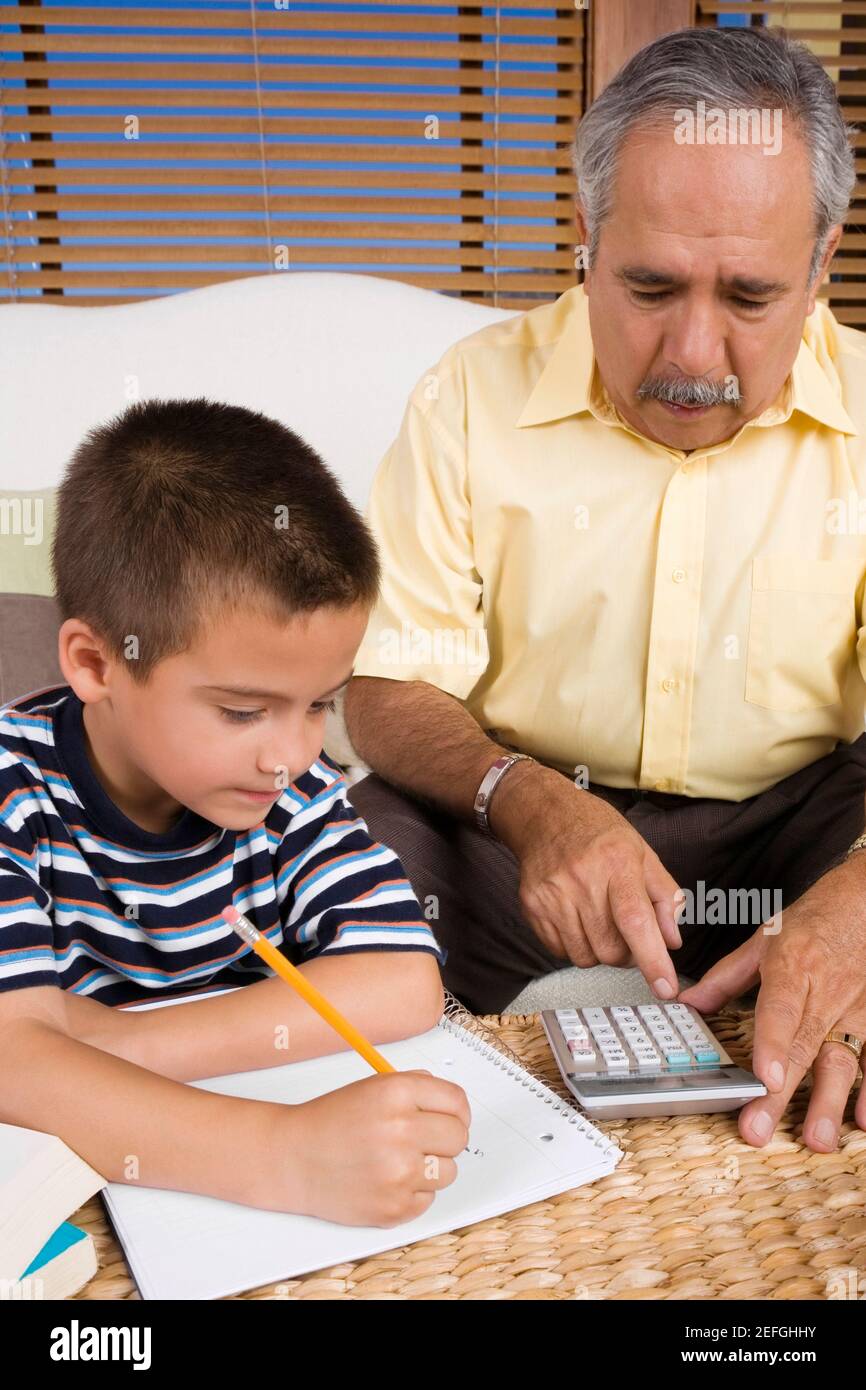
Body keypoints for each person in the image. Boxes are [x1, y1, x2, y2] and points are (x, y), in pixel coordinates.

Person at [344, 26, 866, 1153]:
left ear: (822, 260)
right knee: (350, 865)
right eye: (647, 286)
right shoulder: (468, 397)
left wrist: (851, 913)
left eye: (749, 294)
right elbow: (384, 687)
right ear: (582, 235)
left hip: (797, 826)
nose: (691, 352)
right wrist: (527, 803)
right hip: (512, 825)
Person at [0, 397, 469, 1228]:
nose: (288, 755)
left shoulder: (291, 794)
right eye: (244, 711)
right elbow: (11, 1062)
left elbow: (404, 981)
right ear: (96, 662)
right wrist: (283, 1154)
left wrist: (120, 1042)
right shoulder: (13, 793)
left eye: (319, 703)